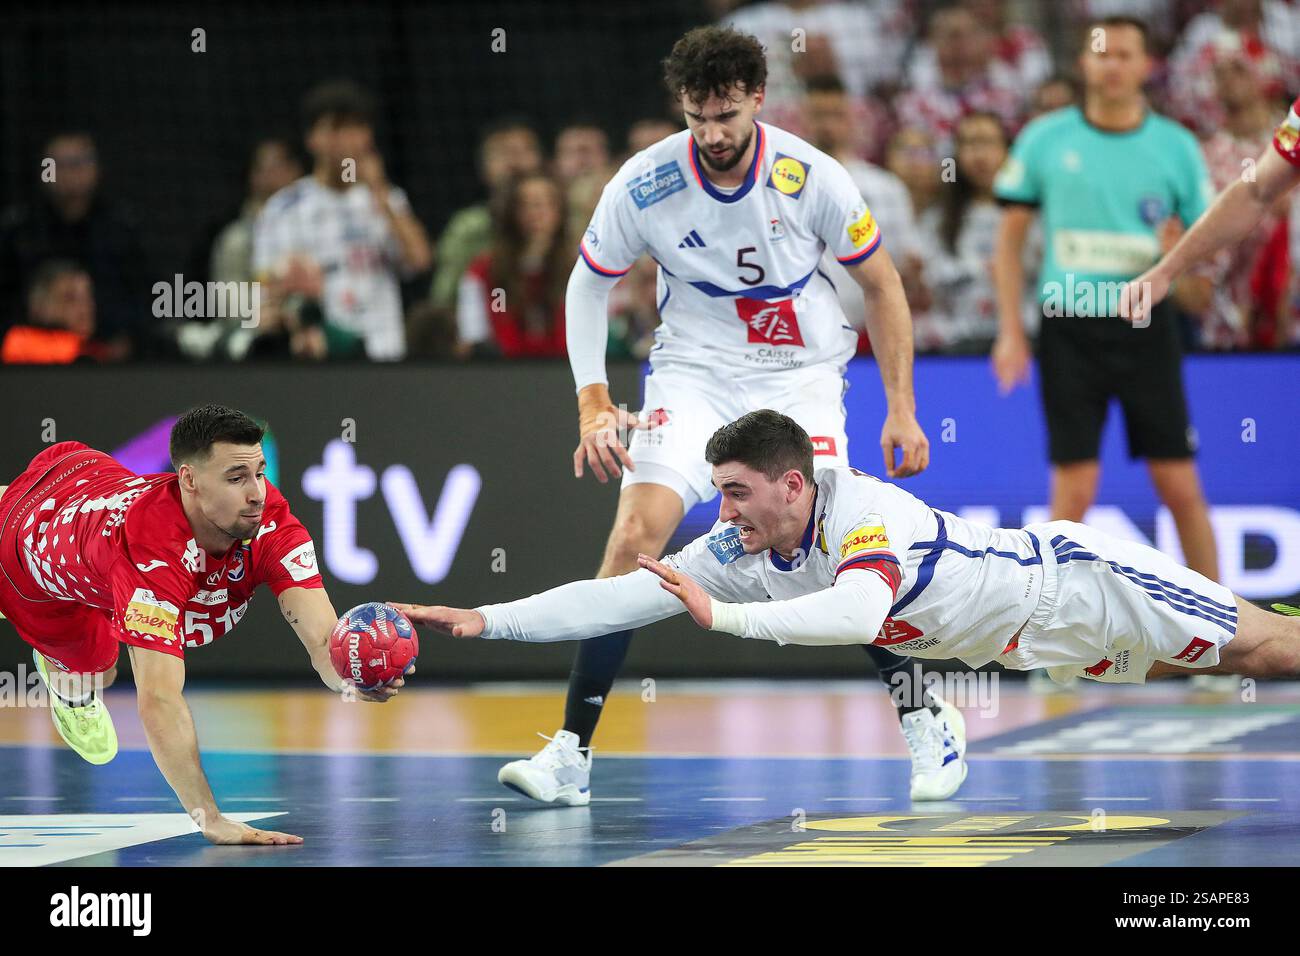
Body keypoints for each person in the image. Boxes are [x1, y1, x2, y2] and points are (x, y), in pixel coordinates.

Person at [497, 26, 955, 810]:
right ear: (682, 108)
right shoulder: (644, 183)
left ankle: (925, 713)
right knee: (635, 538)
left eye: (727, 118)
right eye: (697, 118)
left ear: (758, 102)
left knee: (831, 546)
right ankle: (572, 750)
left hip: (800, 373)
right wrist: (592, 399)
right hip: (693, 371)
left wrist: (902, 409)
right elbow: (588, 285)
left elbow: (882, 287)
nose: (712, 135)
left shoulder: (812, 178)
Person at [394, 409, 1300, 715]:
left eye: (737, 491)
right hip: (1045, 646)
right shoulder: (740, 545)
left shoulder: (863, 512)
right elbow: (621, 600)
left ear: (794, 485)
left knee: (1270, 650)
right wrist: (491, 620)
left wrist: (729, 618)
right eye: (718, 491)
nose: (722, 510)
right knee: (1250, 656)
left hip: (1080, 582)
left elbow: (862, 618)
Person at [0, 405, 407, 845]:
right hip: (25, 555)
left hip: (83, 474)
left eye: (259, 473)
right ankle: (68, 688)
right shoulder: (156, 552)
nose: (257, 493)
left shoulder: (271, 523)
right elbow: (158, 698)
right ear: (189, 481)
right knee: (99, 667)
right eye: (236, 478)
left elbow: (324, 640)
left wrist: (351, 676)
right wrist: (209, 818)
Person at [991, 15, 1220, 586]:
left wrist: (1180, 258)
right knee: (1074, 489)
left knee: (1178, 483)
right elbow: (1009, 241)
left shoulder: (1176, 146)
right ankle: (1046, 644)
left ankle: (1222, 639)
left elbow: (1206, 249)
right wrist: (1011, 332)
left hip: (1146, 326)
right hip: (1068, 327)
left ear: (1145, 66)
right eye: (1101, 53)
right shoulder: (1046, 138)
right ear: (1084, 64)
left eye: (1124, 54)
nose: (1112, 64)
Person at [253, 80, 432, 361]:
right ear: (313, 139)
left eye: (357, 128)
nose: (348, 141)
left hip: (384, 352)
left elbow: (419, 260)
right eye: (336, 129)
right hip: (319, 356)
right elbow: (264, 290)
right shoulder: (284, 208)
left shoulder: (388, 199)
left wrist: (380, 192)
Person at [0, 131, 148, 359]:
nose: (70, 172)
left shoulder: (121, 230)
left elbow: (141, 297)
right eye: (57, 164)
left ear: (96, 170)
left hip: (108, 360)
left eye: (79, 162)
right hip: (31, 360)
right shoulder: (20, 232)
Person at [915, 112, 1011, 353]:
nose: (980, 155)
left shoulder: (1027, 215)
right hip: (956, 343)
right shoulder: (938, 219)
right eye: (970, 144)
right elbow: (931, 276)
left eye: (988, 142)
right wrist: (981, 268)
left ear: (1007, 151)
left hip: (1021, 338)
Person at [428, 119, 545, 318]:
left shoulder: (563, 221)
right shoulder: (466, 228)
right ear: (484, 168)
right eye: (503, 153)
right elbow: (444, 301)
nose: (515, 163)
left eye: (524, 151)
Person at [456, 172, 571, 358]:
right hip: (506, 372)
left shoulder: (578, 268)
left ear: (560, 212)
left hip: (565, 372)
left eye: (545, 204)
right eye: (526, 205)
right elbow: (484, 328)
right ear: (511, 213)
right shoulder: (488, 273)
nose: (536, 213)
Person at [1, 260, 103, 364]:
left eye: (88, 296)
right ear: (40, 304)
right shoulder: (20, 343)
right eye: (70, 298)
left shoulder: (96, 350)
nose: (86, 306)